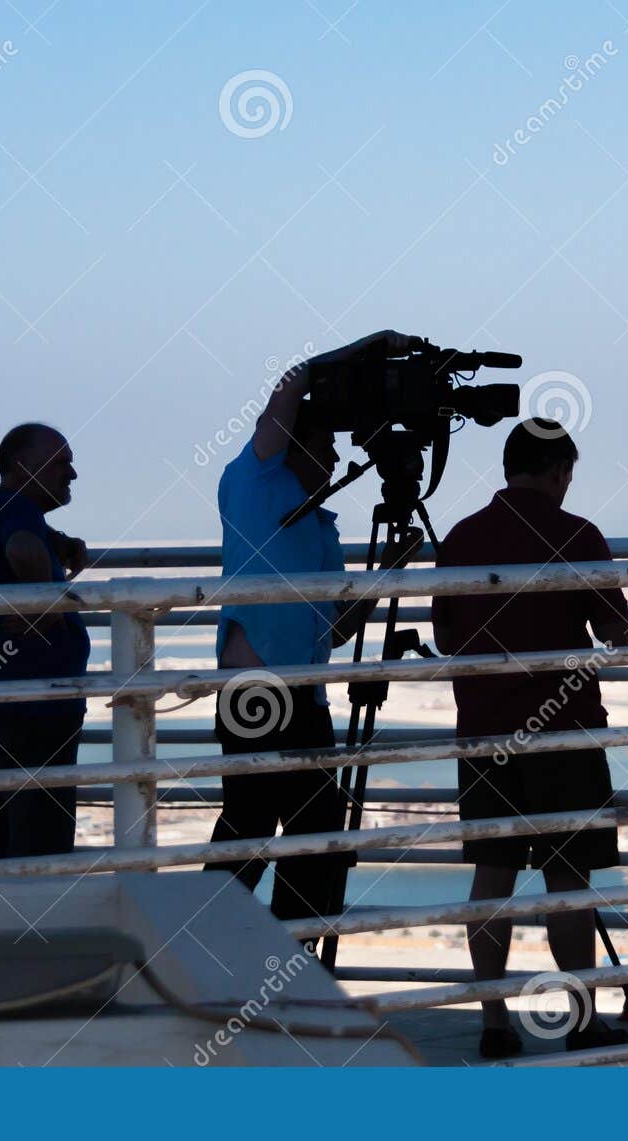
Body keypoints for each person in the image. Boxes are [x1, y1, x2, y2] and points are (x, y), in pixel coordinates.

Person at [206, 331, 421, 949]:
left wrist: (386, 577)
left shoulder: (319, 521)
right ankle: (206, 955)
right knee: (249, 830)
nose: (334, 453)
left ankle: (288, 967)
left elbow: (335, 627)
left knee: (317, 835)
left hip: (305, 696)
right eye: (324, 439)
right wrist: (375, 346)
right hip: (253, 688)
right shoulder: (255, 481)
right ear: (297, 439)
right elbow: (288, 389)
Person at [431, 419, 628, 1059]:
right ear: (557, 472)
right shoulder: (577, 535)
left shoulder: (461, 539)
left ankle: (495, 1024)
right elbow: (616, 629)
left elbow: (445, 638)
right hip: (565, 732)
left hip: (485, 732)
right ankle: (578, 1019)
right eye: (567, 476)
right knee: (567, 878)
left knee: (492, 876)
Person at [0, 422, 91, 931]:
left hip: (2, 703)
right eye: (60, 463)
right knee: (39, 841)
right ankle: (25, 961)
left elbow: (28, 534)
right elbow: (23, 547)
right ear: (23, 468)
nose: (72, 472)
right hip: (35, 708)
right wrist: (43, 603)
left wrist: (63, 542)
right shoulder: (16, 512)